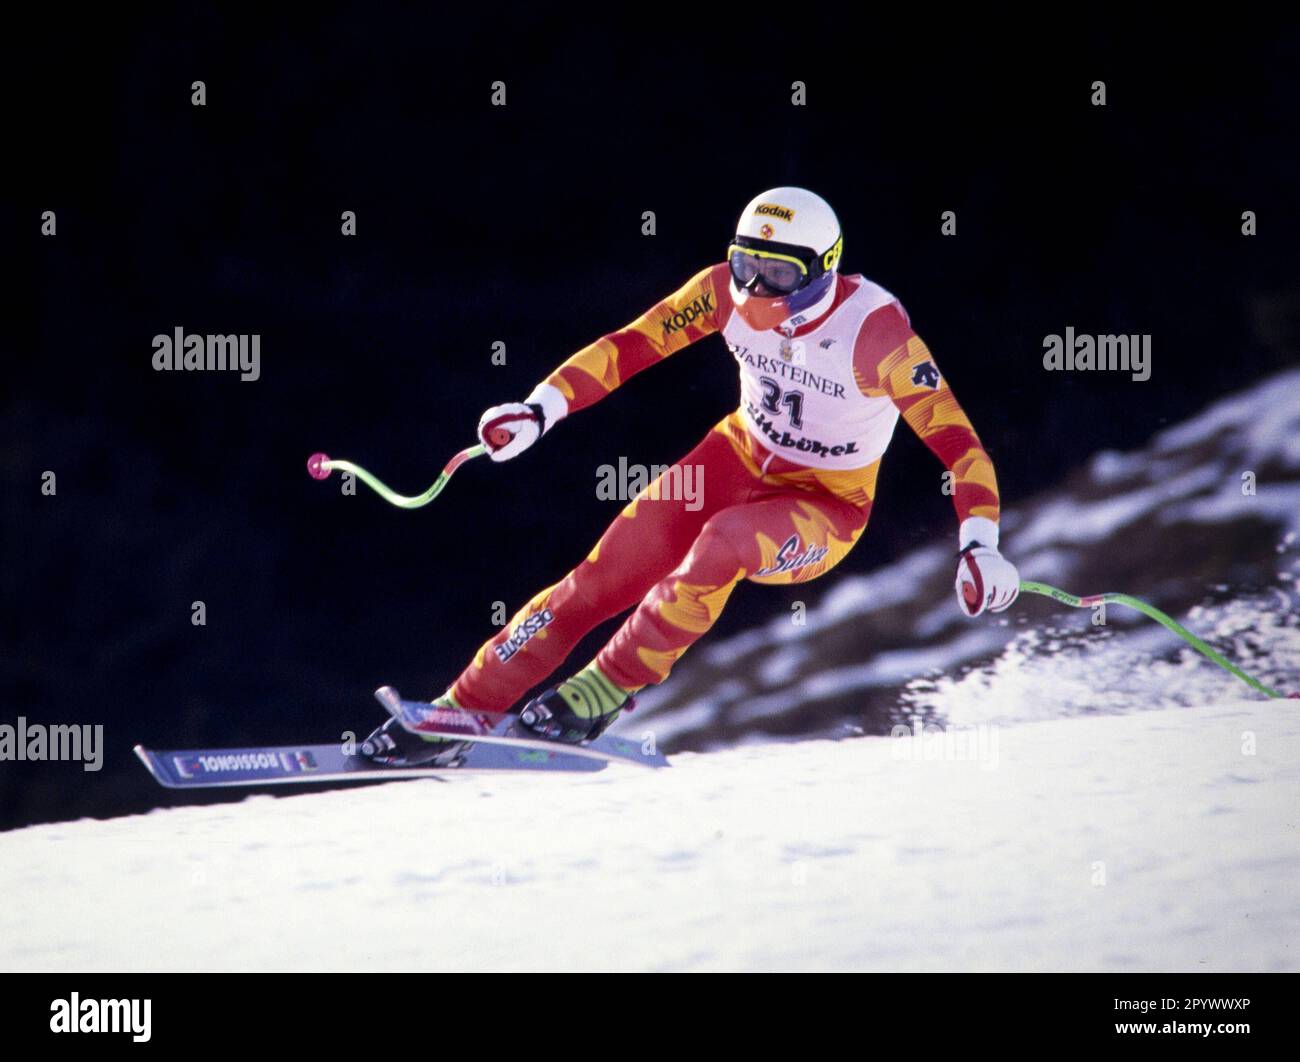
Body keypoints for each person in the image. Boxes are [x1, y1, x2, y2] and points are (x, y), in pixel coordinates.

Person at [362, 187, 1019, 764]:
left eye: (776, 273)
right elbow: (632, 345)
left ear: (823, 273)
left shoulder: (874, 335)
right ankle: (451, 714)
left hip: (825, 502)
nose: (754, 288)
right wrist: (540, 409)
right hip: (730, 458)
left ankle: (604, 690)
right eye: (744, 265)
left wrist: (980, 545)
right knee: (594, 582)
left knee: (725, 543)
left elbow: (962, 449)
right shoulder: (720, 294)